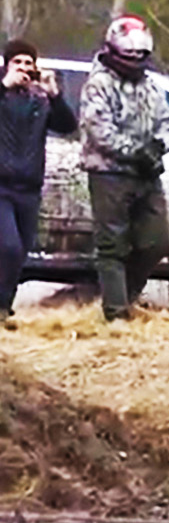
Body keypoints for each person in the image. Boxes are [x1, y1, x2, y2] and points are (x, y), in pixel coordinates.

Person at [78, 15, 169, 323]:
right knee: (112, 245)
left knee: (157, 241)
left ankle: (128, 294)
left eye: (140, 56)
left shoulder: (150, 86)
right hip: (109, 173)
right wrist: (136, 152)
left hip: (147, 174)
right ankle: (116, 313)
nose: (135, 61)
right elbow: (100, 131)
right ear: (112, 51)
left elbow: (167, 123)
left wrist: (159, 146)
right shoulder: (98, 84)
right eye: (129, 55)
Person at [0, 38, 75, 326]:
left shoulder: (39, 99)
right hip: (1, 186)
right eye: (17, 62)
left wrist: (54, 94)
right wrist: (5, 84)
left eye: (28, 63)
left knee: (20, 254)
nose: (23, 68)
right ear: (7, 65)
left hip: (29, 187)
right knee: (7, 247)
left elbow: (68, 126)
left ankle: (4, 308)